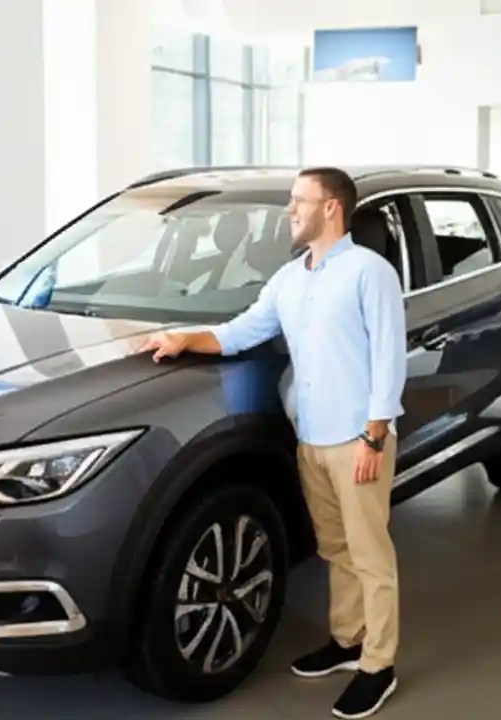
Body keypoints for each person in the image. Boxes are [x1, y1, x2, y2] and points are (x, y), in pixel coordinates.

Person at [139, 167, 407, 720]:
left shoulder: (367, 272)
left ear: (331, 208)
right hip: (311, 439)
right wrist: (183, 337)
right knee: (335, 549)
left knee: (370, 555)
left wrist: (375, 435)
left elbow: (389, 356)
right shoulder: (290, 278)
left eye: (298, 201)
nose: (290, 210)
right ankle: (347, 639)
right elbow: (242, 330)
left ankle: (379, 666)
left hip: (358, 440)